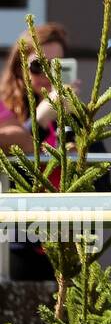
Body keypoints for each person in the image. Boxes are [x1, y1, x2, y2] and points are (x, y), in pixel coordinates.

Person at [0, 22, 90, 281]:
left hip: (72, 241)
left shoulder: (75, 115)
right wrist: (38, 120)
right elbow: (14, 169)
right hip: (22, 241)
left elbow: (101, 176)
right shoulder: (7, 115)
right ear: (20, 68)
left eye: (57, 66)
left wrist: (79, 122)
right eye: (39, 66)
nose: (49, 75)